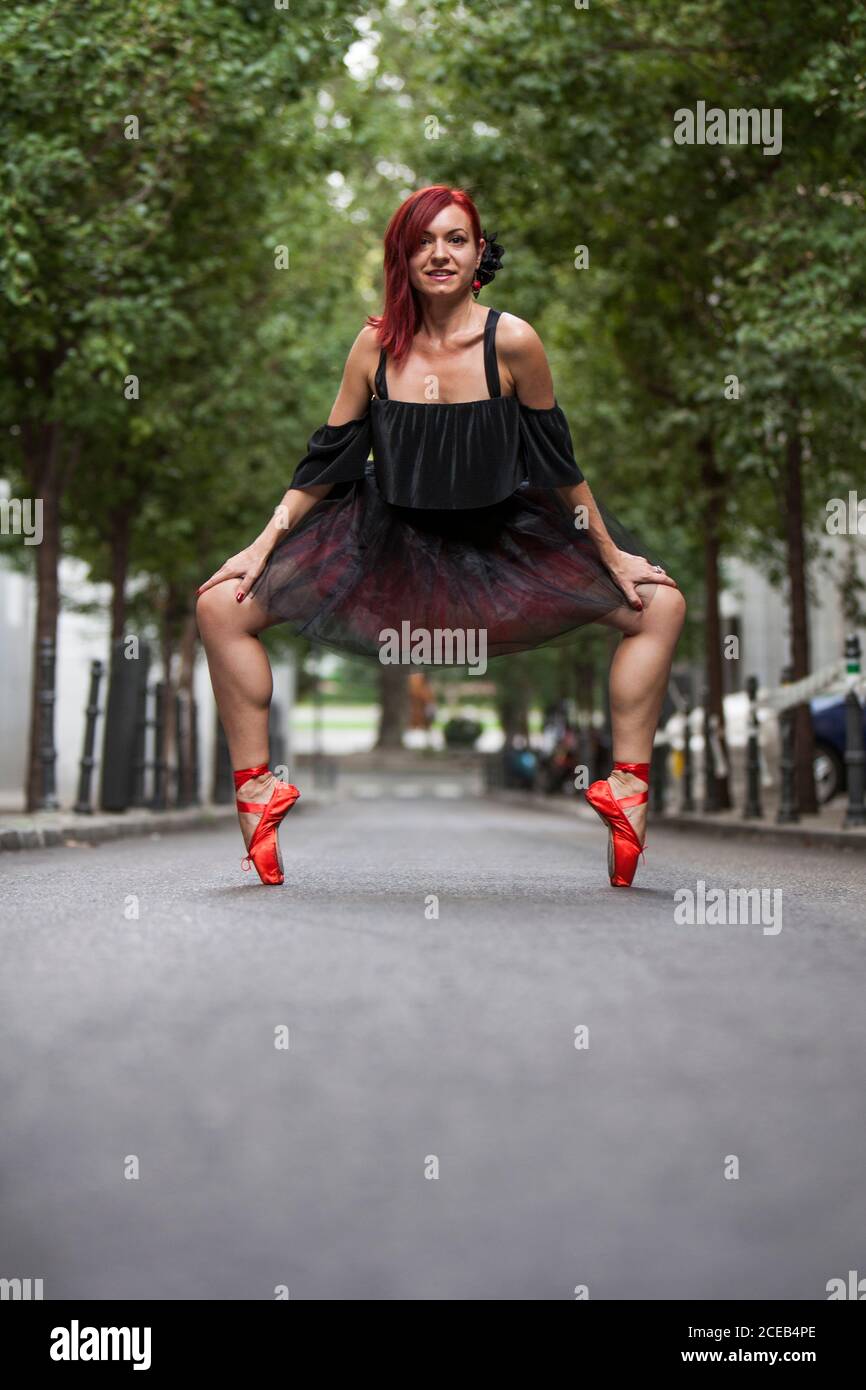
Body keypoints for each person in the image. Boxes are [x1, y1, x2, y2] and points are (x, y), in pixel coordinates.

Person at [195, 185, 686, 888]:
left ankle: (626, 789)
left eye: (455, 239)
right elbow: (327, 463)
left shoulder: (513, 341)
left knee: (661, 604)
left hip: (501, 541)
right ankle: (257, 793)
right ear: (403, 256)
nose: (440, 253)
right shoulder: (375, 346)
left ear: (479, 253)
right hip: (386, 541)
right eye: (423, 241)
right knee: (219, 607)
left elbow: (556, 466)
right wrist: (262, 544)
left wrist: (612, 556)